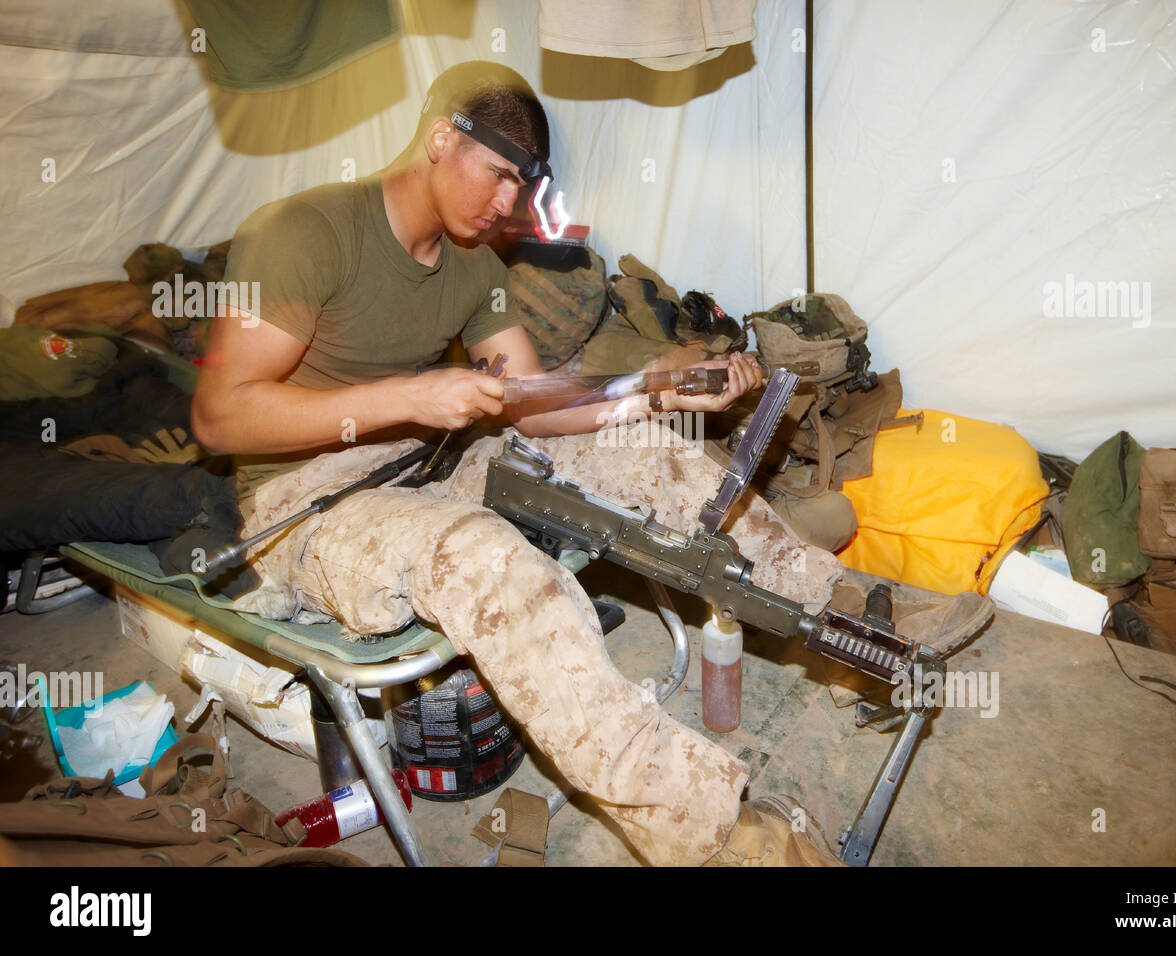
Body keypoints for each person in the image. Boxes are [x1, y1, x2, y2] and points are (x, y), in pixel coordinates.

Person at [192, 61, 848, 865]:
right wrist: (411, 394)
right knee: (491, 564)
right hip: (306, 506)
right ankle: (713, 836)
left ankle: (842, 605)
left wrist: (656, 390)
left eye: (522, 184)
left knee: (642, 452)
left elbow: (535, 403)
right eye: (500, 175)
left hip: (426, 465)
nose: (509, 204)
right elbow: (220, 414)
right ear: (441, 139)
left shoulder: (474, 265)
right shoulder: (306, 231)